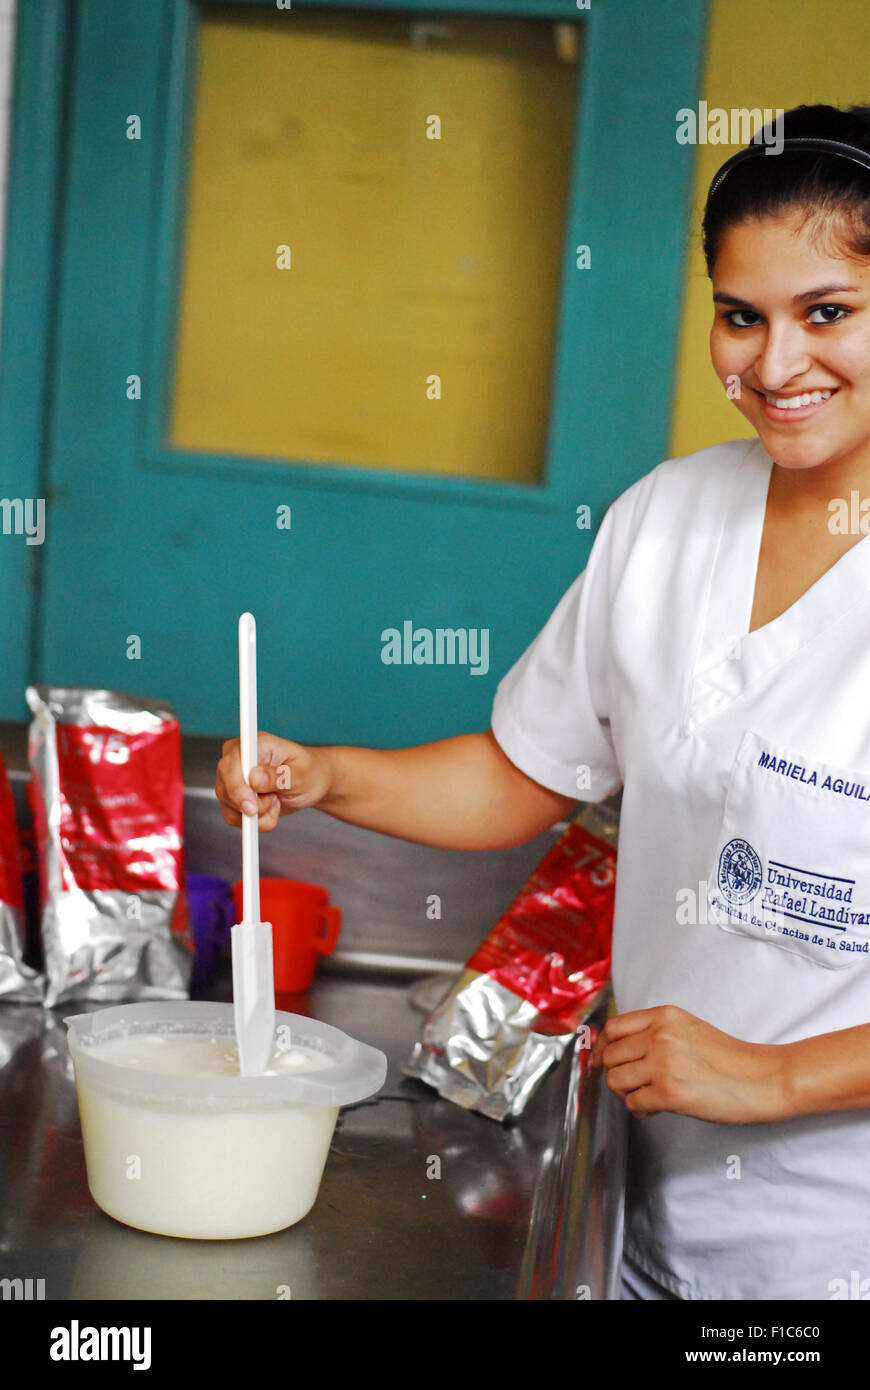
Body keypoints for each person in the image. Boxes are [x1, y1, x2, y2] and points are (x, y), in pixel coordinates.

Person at [216, 103, 870, 1300]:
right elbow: (527, 776)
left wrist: (776, 1077)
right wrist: (326, 777)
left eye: (828, 312)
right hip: (639, 1203)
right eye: (741, 315)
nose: (774, 366)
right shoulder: (668, 518)